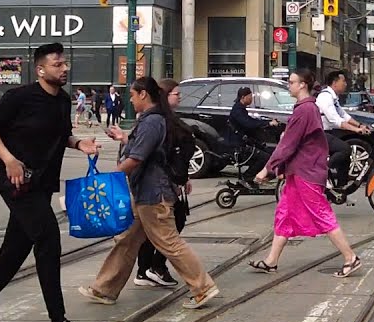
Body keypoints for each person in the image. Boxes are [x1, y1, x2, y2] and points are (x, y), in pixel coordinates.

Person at [0, 42, 96, 322]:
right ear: (40, 70)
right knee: (48, 241)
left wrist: (79, 144)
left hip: (43, 183)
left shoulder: (62, 100)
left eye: (65, 63)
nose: (64, 68)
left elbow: (62, 134)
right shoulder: (19, 97)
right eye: (57, 64)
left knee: (15, 250)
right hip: (17, 183)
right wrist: (9, 159)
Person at [80, 78, 220, 309]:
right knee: (127, 240)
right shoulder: (154, 119)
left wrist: (111, 178)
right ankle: (104, 289)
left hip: (153, 194)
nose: (131, 100)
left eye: (133, 95)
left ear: (144, 94)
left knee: (169, 242)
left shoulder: (152, 121)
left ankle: (203, 287)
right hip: (144, 193)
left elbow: (136, 158)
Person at [251, 69, 360, 277]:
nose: (288, 85)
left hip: (306, 172)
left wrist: (267, 169)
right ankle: (271, 261)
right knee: (284, 213)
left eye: (291, 82)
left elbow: (288, 143)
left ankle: (350, 257)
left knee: (322, 214)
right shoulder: (307, 108)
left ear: (302, 85)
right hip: (300, 171)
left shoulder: (305, 110)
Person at [132, 79, 197, 288]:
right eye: (176, 93)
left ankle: (146, 270)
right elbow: (145, 154)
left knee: (136, 236)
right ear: (164, 95)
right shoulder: (157, 120)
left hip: (161, 184)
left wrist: (183, 177)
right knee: (164, 233)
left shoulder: (162, 119)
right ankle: (153, 269)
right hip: (157, 187)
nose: (179, 97)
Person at [316, 70, 372, 188]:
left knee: (346, 155)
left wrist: (359, 125)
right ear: (334, 83)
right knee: (345, 149)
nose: (345, 84)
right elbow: (335, 120)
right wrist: (356, 130)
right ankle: (321, 171)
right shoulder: (325, 97)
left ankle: (341, 188)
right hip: (319, 134)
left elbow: (344, 115)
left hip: (329, 132)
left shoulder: (333, 98)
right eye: (343, 81)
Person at [228, 86, 278, 185]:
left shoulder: (241, 109)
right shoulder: (237, 110)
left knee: (269, 152)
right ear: (243, 97)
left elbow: (251, 121)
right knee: (265, 157)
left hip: (246, 143)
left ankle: (256, 177)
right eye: (250, 96)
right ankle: (247, 177)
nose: (252, 98)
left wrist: (266, 123)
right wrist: (268, 123)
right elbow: (249, 123)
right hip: (240, 146)